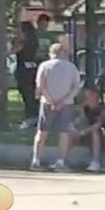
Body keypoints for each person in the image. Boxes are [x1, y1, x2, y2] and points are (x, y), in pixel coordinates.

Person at [32, 43, 81, 171]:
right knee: (64, 133)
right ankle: (60, 161)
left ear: (51, 53)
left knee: (42, 132)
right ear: (64, 53)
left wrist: (51, 100)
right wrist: (62, 101)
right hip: (66, 104)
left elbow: (40, 86)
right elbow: (75, 87)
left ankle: (36, 160)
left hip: (47, 103)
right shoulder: (72, 67)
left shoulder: (44, 66)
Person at [12, 21, 41, 130]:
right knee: (31, 93)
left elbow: (13, 50)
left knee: (27, 94)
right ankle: (34, 117)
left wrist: (16, 41)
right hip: (32, 69)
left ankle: (31, 118)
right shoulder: (34, 42)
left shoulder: (23, 43)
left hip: (24, 70)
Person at [76, 88, 105, 172]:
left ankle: (96, 162)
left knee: (102, 133)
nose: (91, 99)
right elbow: (76, 123)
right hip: (87, 136)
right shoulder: (84, 109)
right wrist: (82, 110)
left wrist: (84, 131)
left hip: (102, 134)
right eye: (88, 97)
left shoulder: (104, 109)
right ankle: (61, 161)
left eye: (93, 96)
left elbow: (99, 124)